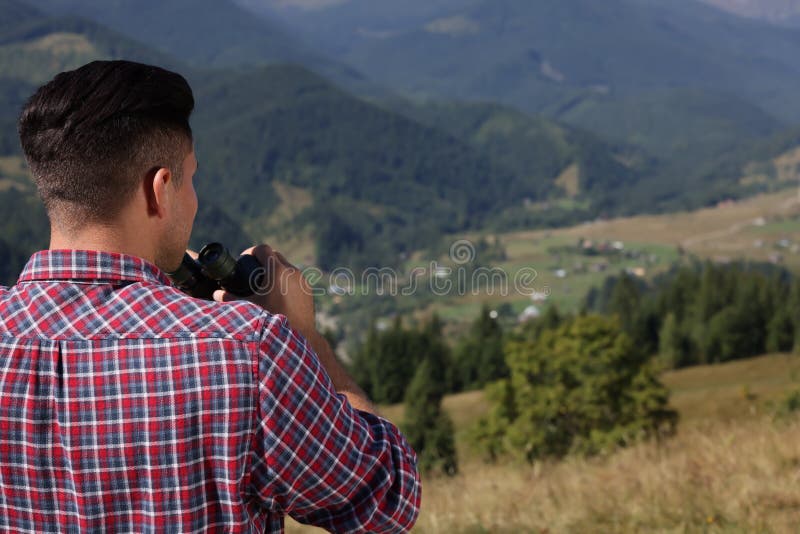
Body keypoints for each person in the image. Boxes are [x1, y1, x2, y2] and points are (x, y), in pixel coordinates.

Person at [1, 60, 421, 532]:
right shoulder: (250, 351)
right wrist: (306, 340)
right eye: (191, 177)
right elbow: (388, 500)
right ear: (159, 190)